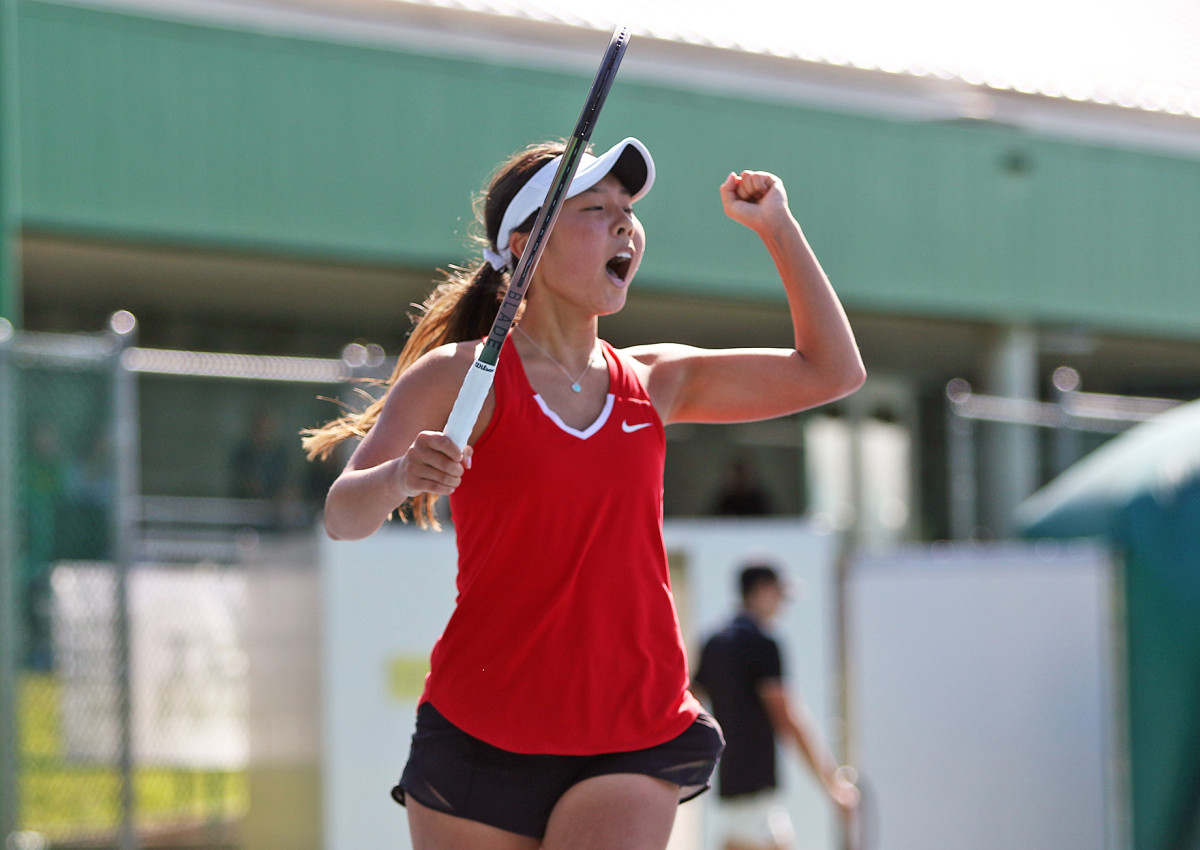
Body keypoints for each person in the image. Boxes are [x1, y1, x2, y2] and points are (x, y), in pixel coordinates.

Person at [302, 134, 865, 850]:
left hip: (631, 731)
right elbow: (343, 515)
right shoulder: (459, 376)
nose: (625, 223)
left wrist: (777, 227)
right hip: (481, 729)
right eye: (596, 207)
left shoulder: (656, 380)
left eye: (628, 210)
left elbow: (831, 372)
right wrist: (401, 474)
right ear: (522, 245)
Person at [694, 564, 860, 850]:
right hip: (754, 783)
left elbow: (691, 702)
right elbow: (787, 717)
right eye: (780, 595)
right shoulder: (762, 643)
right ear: (762, 591)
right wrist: (832, 783)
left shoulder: (713, 643)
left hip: (735, 780)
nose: (782, 605)